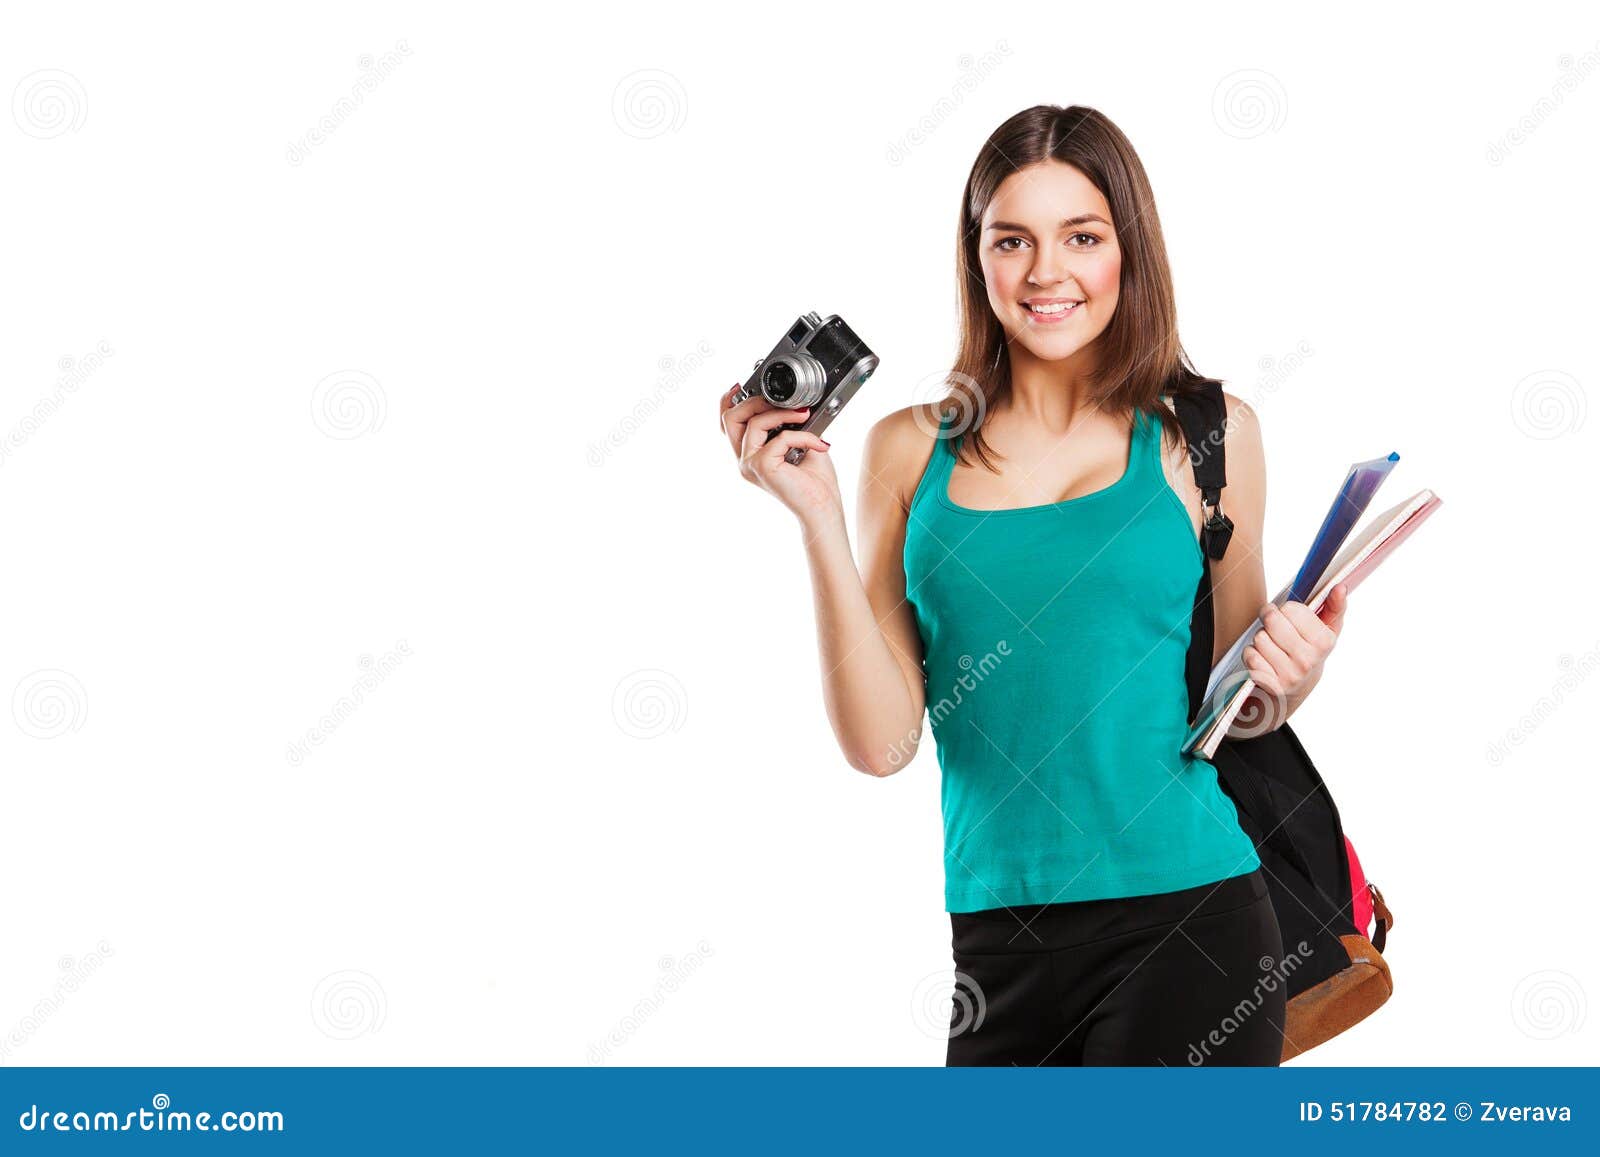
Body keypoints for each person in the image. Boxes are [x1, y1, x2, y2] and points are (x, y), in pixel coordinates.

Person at [718, 104, 1349, 1066]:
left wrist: (1293, 674)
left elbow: (1241, 706)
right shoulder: (906, 450)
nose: (1046, 272)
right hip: (994, 946)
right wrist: (816, 518)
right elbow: (884, 745)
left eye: (1082, 237)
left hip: (1193, 923)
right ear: (977, 258)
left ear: (1127, 251)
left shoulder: (1206, 435)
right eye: (1013, 239)